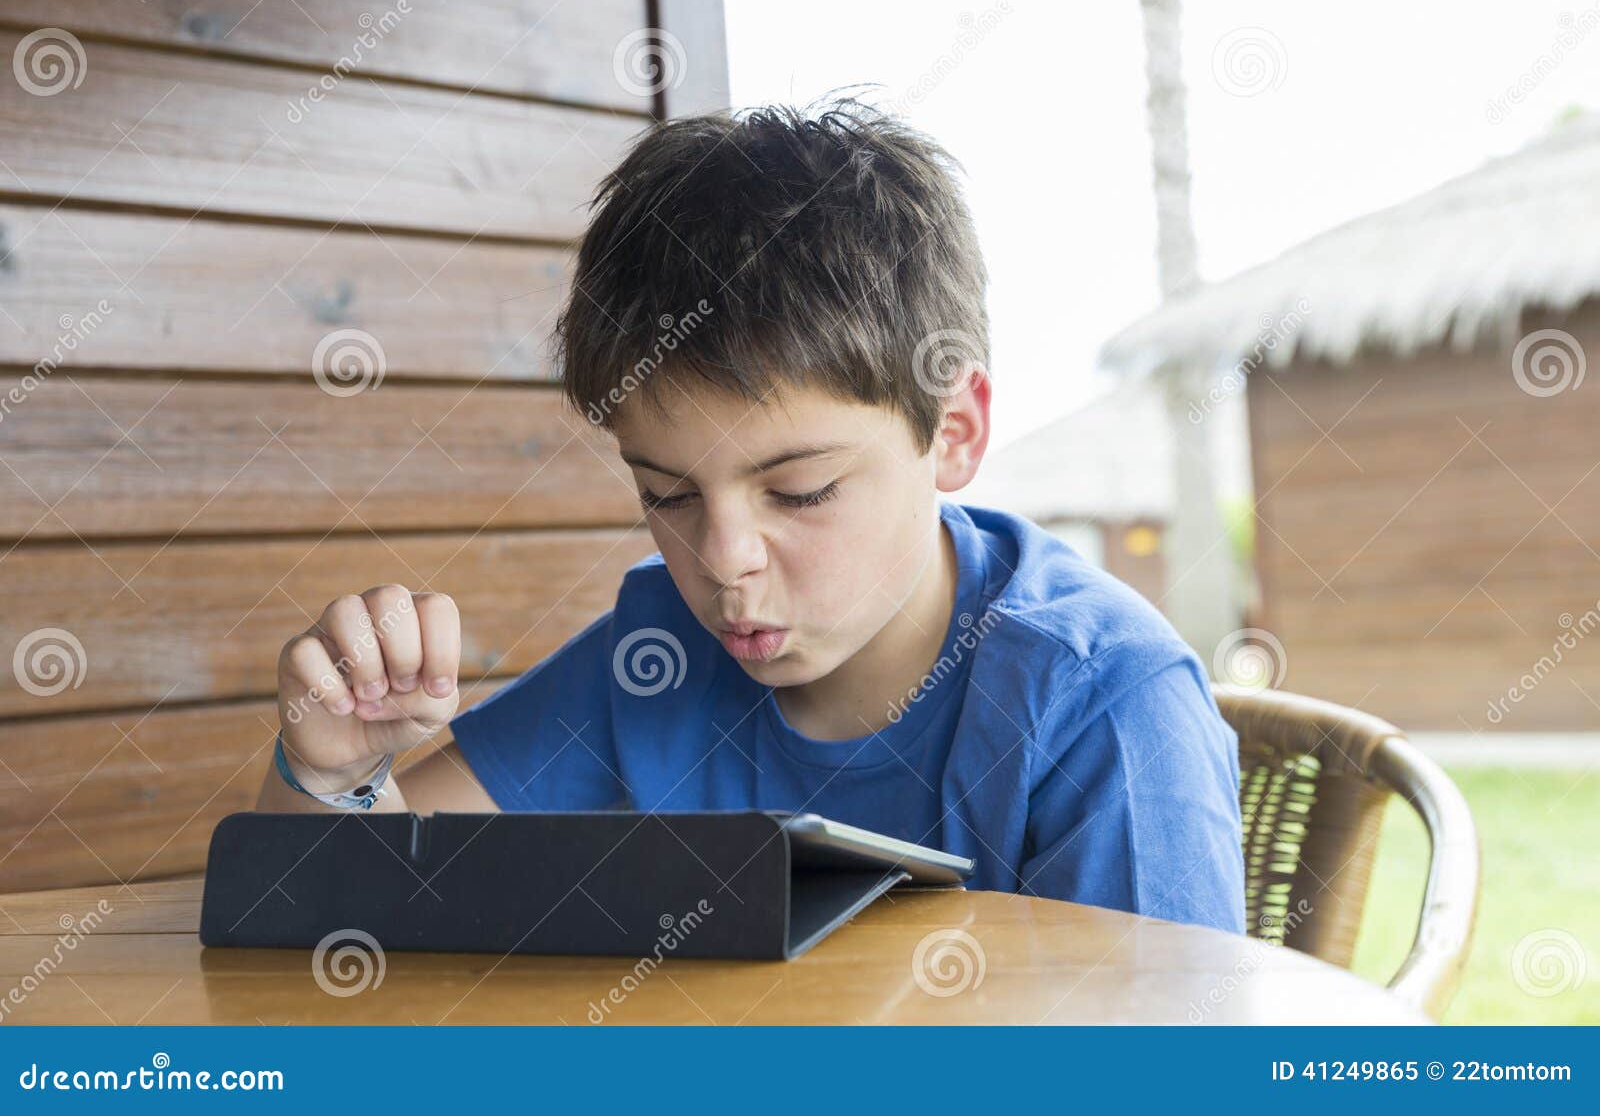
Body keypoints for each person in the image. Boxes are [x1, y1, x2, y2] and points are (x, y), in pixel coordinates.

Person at [257, 98, 1245, 933]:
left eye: (801, 491)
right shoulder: (657, 662)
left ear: (951, 431)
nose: (723, 564)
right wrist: (336, 774)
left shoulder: (1099, 709)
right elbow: (347, 919)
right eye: (667, 495)